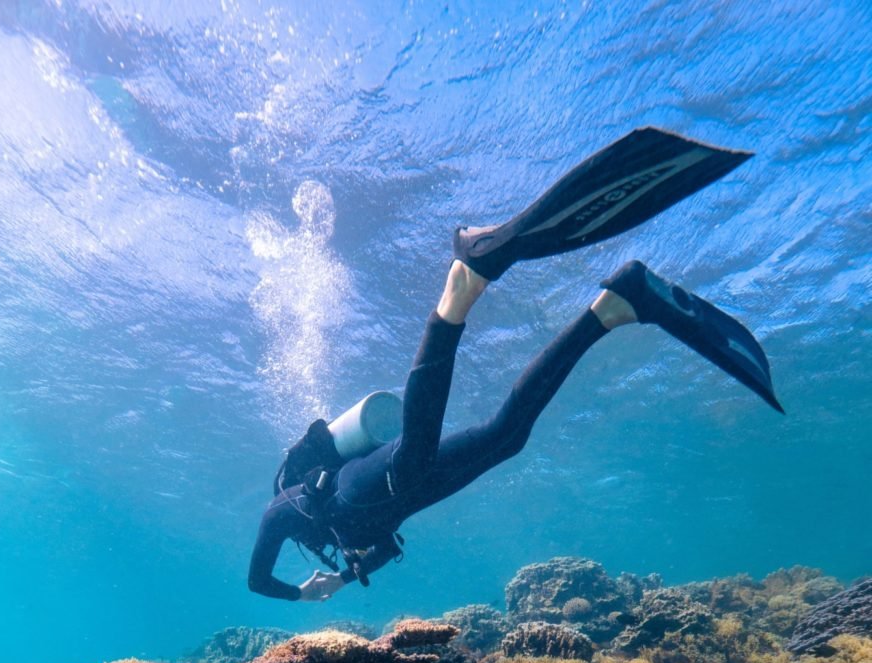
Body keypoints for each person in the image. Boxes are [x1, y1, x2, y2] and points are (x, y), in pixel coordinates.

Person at [247, 128, 782, 603]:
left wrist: (296, 595)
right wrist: (341, 580)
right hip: (400, 497)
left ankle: (463, 284)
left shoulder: (286, 506)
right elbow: (385, 545)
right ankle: (615, 307)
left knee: (413, 453)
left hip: (365, 484)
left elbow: (257, 581)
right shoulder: (332, 541)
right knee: (507, 438)